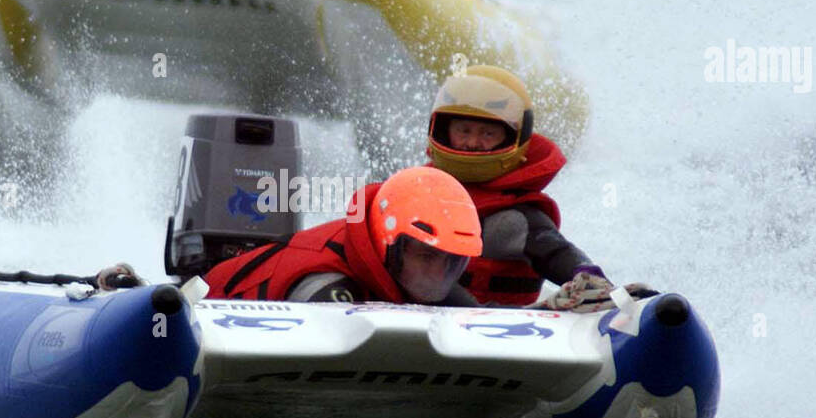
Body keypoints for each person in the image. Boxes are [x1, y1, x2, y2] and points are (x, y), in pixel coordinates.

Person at [427, 64, 640, 311]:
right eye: (464, 131)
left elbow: (558, 253)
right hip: (415, 318)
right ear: (443, 131)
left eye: (488, 134)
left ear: (511, 139)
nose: (473, 143)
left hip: (509, 333)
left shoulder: (518, 217)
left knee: (506, 225)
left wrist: (605, 291)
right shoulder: (417, 194)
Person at [200, 166, 482, 304]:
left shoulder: (407, 278)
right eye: (427, 256)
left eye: (451, 262)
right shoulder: (328, 288)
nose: (437, 274)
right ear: (389, 246)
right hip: (207, 312)